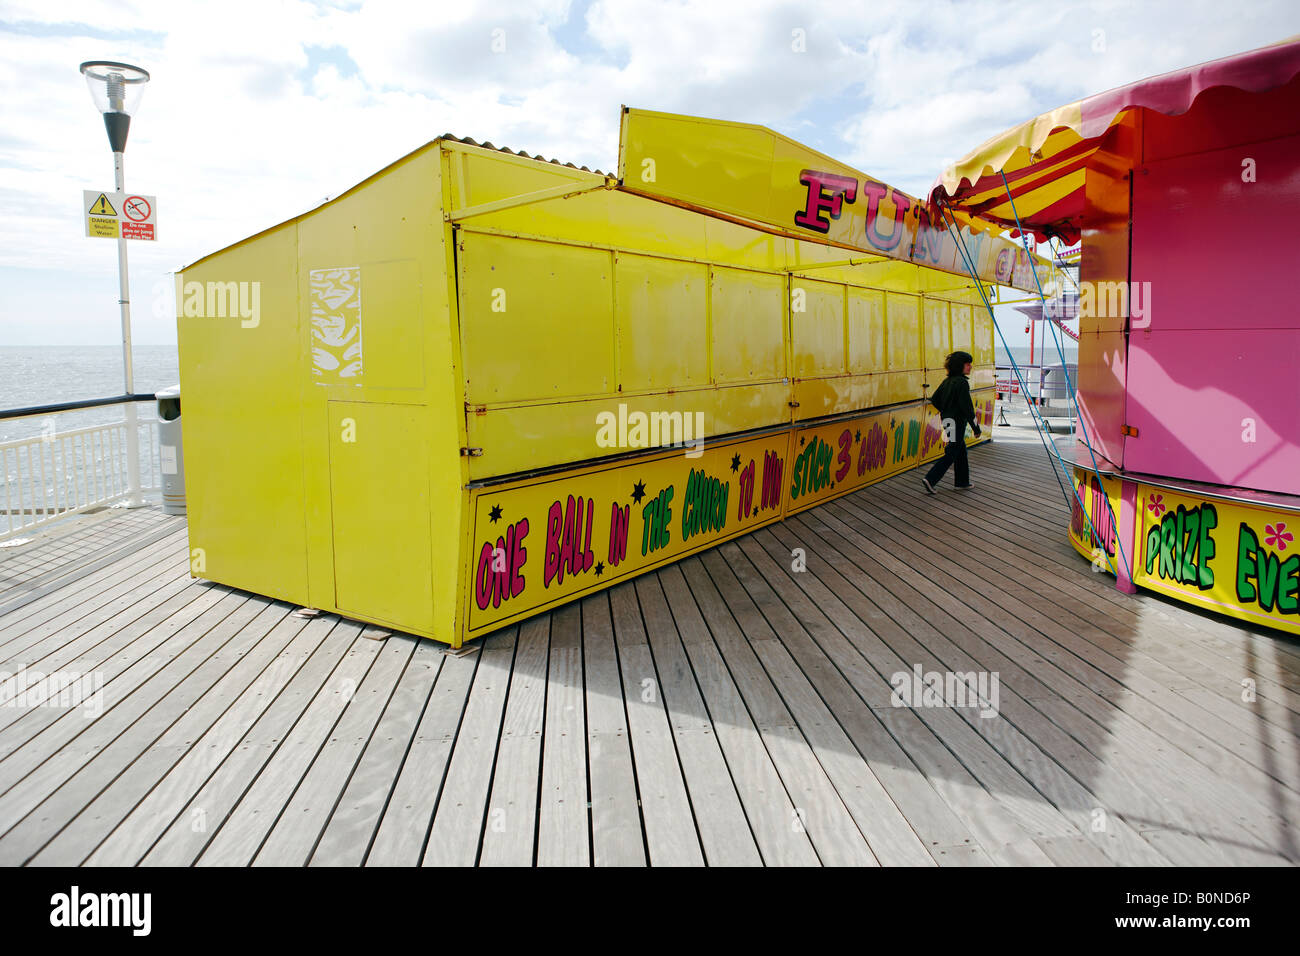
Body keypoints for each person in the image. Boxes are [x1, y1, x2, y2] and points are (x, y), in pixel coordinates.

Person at [922, 350, 980, 493]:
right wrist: (976, 428)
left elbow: (935, 399)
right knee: (953, 451)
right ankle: (931, 478)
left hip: (947, 420)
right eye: (967, 364)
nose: (970, 367)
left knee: (960, 451)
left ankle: (962, 482)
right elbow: (968, 409)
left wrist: (946, 410)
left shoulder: (947, 381)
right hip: (957, 423)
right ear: (960, 365)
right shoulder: (961, 383)